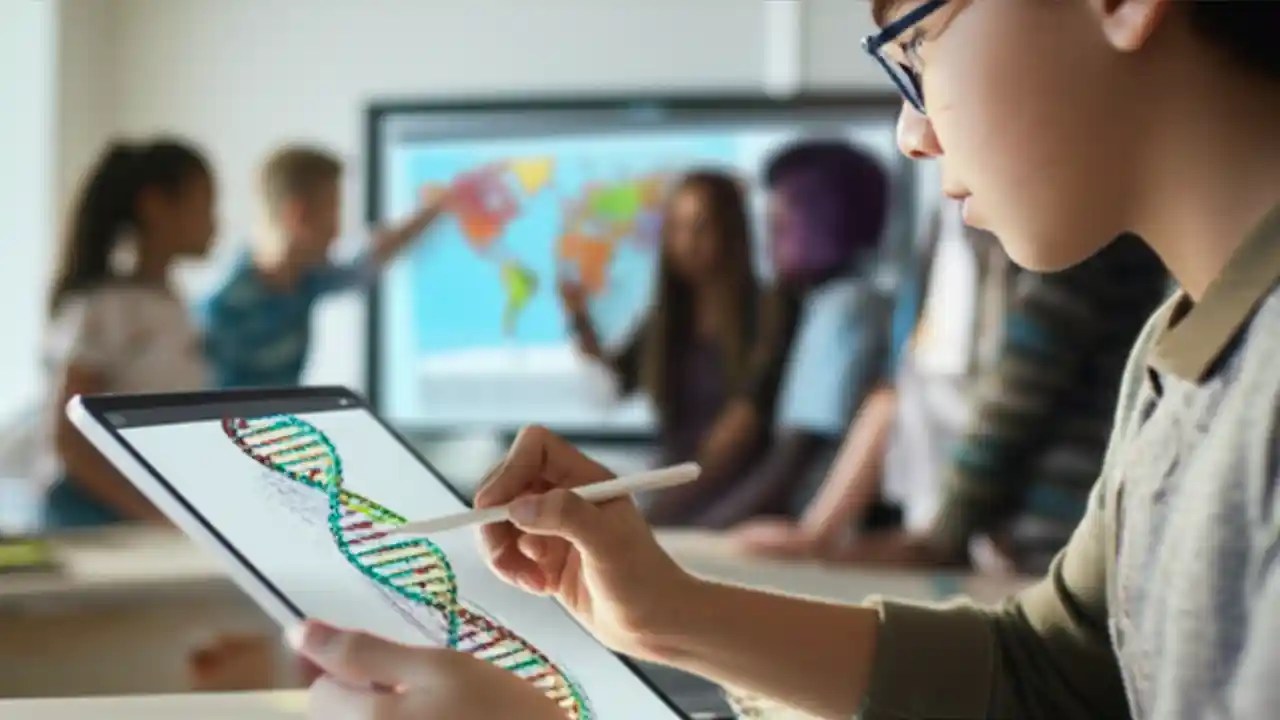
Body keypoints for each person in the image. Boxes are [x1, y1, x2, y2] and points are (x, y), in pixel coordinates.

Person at [296, 1, 1280, 717]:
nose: (910, 130)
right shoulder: (1184, 348)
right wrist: (665, 616)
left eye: (917, 43)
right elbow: (1045, 677)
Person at [732, 209, 1168, 574]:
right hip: (972, 540)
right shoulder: (946, 227)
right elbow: (904, 381)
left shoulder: (1073, 232)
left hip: (1049, 542)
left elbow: (1016, 395)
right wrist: (819, 533)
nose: (916, 135)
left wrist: (942, 536)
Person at [558, 171, 793, 526]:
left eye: (700, 227)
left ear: (730, 232)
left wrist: (660, 510)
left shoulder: (769, 310)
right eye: (677, 229)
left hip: (737, 495)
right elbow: (614, 385)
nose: (686, 243)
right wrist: (579, 318)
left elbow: (739, 430)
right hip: (675, 484)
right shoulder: (667, 321)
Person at [691, 140, 895, 528]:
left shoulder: (846, 307)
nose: (770, 242)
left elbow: (796, 456)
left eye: (781, 226)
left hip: (818, 528)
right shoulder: (824, 303)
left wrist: (703, 531)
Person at [40, 140, 216, 528]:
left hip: (150, 511)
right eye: (204, 204)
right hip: (96, 519)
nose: (215, 221)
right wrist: (154, 516)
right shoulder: (103, 308)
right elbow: (69, 442)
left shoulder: (173, 305)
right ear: (154, 205)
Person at [204, 146, 450, 389]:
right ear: (298, 215)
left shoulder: (305, 280)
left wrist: (433, 210)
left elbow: (368, 260)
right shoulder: (224, 310)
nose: (337, 232)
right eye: (332, 212)